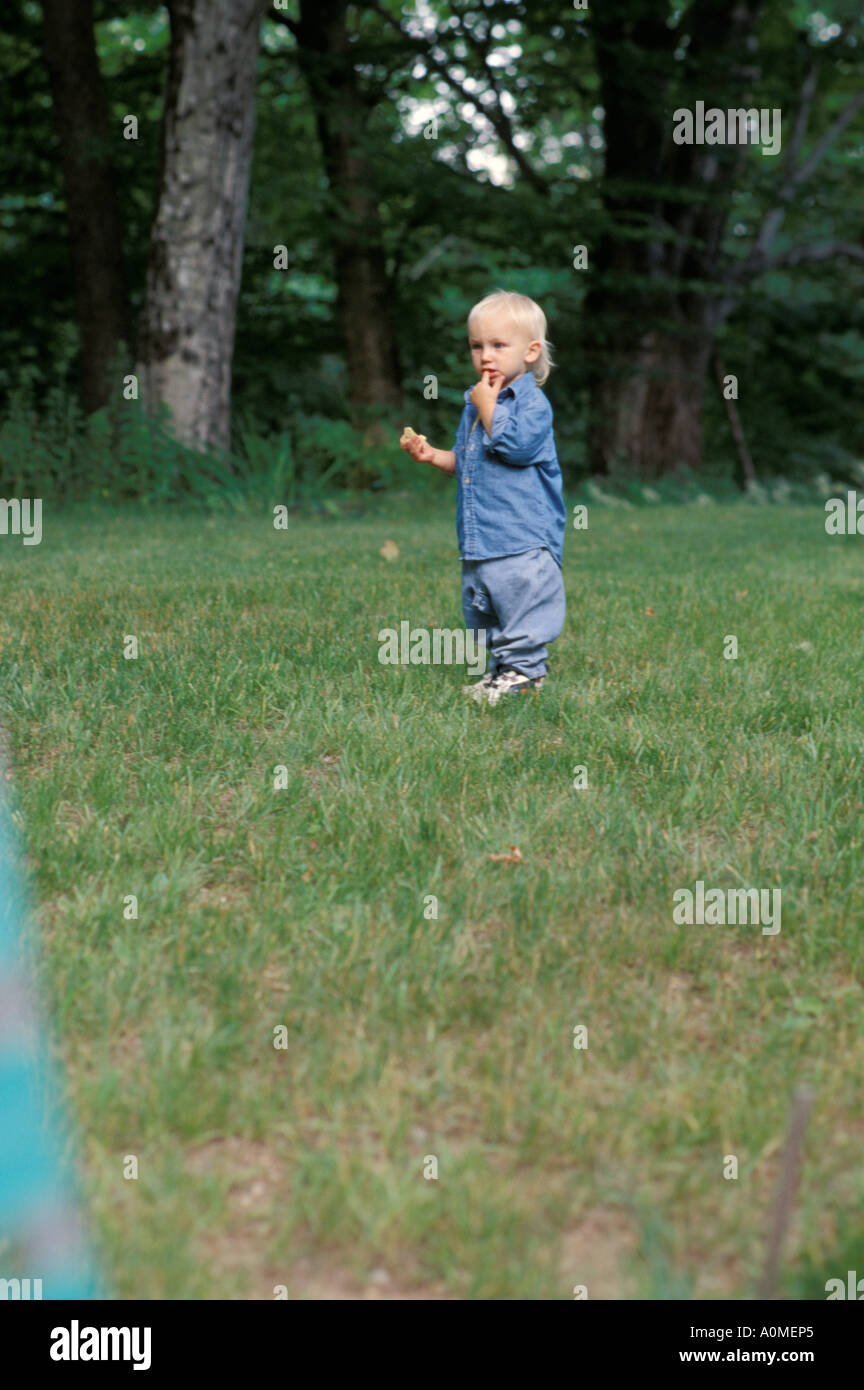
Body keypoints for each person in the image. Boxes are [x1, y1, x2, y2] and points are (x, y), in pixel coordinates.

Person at [400, 289, 566, 705]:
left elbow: (516, 447)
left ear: (529, 352)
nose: (485, 356)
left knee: (521, 603)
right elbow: (472, 462)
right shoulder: (477, 404)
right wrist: (433, 455)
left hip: (522, 537)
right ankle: (503, 673)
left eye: (498, 345)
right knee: (485, 608)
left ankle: (525, 675)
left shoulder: (532, 404)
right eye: (477, 346)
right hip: (481, 536)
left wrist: (487, 405)